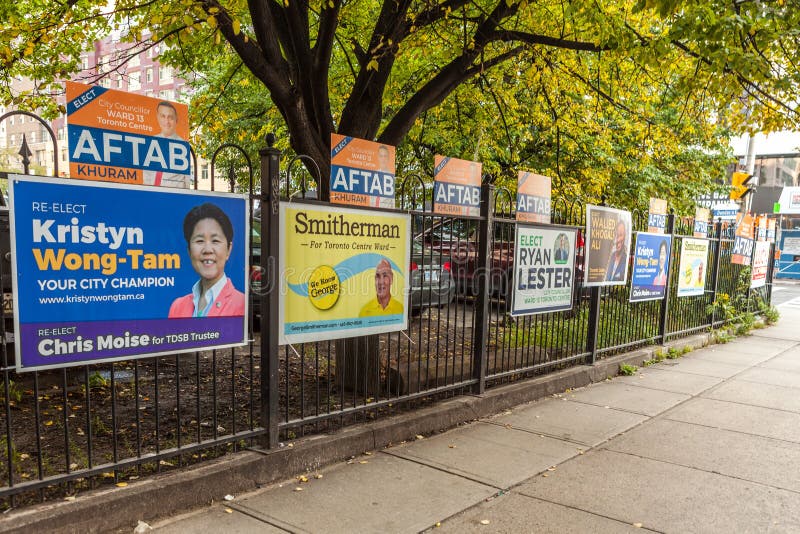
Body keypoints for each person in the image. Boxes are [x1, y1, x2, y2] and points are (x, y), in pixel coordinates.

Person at [168, 203, 245, 318]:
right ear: (189, 250)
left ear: (228, 249)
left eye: (215, 240)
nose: (207, 250)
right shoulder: (177, 306)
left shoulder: (241, 304)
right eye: (199, 241)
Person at [142, 101, 191, 189]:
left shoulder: (183, 145)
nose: (166, 121)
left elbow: (187, 180)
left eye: (170, 117)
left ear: (176, 120)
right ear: (158, 118)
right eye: (163, 116)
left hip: (174, 196)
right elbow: (147, 175)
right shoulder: (150, 142)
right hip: (153, 194)